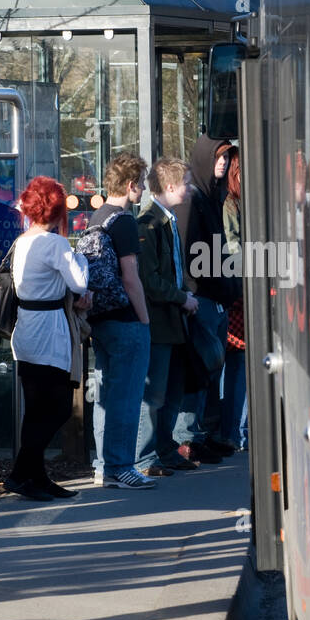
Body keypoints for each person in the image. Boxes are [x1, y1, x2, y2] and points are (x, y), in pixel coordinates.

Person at [5, 176, 91, 499]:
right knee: (57, 409)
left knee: (37, 409)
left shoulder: (23, 241)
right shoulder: (55, 244)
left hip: (26, 330)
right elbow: (80, 282)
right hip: (50, 332)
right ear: (56, 210)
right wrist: (79, 254)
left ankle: (35, 476)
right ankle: (20, 473)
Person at [86, 151, 155, 489]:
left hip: (101, 319)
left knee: (106, 395)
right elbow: (131, 277)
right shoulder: (125, 221)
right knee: (127, 397)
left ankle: (102, 466)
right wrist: (143, 320)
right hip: (126, 320)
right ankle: (122, 466)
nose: (142, 190)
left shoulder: (97, 217)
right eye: (140, 184)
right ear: (130, 185)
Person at [173, 136, 237, 464]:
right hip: (201, 299)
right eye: (218, 157)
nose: (223, 163)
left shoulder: (212, 196)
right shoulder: (193, 200)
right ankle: (187, 439)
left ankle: (199, 434)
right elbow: (187, 254)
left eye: (227, 158)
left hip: (216, 298)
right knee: (198, 370)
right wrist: (195, 292)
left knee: (210, 371)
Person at [135, 158, 199, 478]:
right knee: (155, 392)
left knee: (172, 389)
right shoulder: (149, 224)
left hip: (173, 321)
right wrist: (182, 297)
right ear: (171, 186)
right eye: (186, 182)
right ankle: (145, 457)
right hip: (160, 322)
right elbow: (150, 281)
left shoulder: (167, 220)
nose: (189, 188)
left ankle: (164, 449)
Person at [219, 148, 248, 452]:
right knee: (236, 363)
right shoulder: (231, 204)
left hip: (239, 288)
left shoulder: (236, 202)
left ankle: (238, 430)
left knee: (238, 364)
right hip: (239, 292)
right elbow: (233, 247)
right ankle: (236, 431)